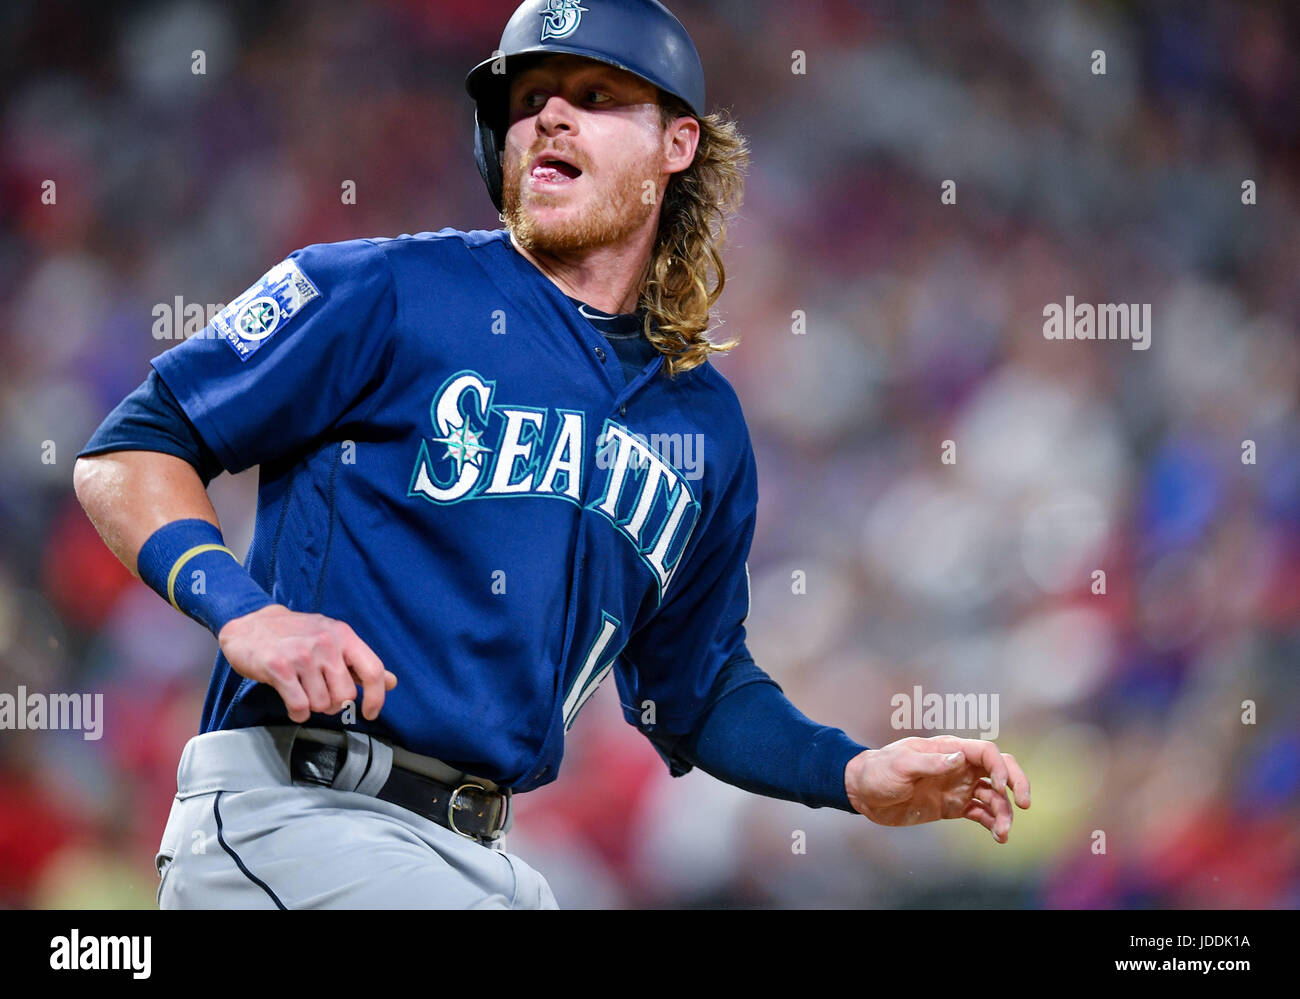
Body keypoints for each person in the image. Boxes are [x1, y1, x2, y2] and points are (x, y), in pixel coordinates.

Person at [72, 0, 1029, 910]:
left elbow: (695, 692)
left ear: (677, 145)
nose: (552, 117)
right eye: (529, 100)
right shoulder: (386, 290)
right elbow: (130, 449)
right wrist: (244, 610)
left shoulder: (699, 424)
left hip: (479, 856)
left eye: (596, 94)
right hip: (300, 817)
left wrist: (849, 772)